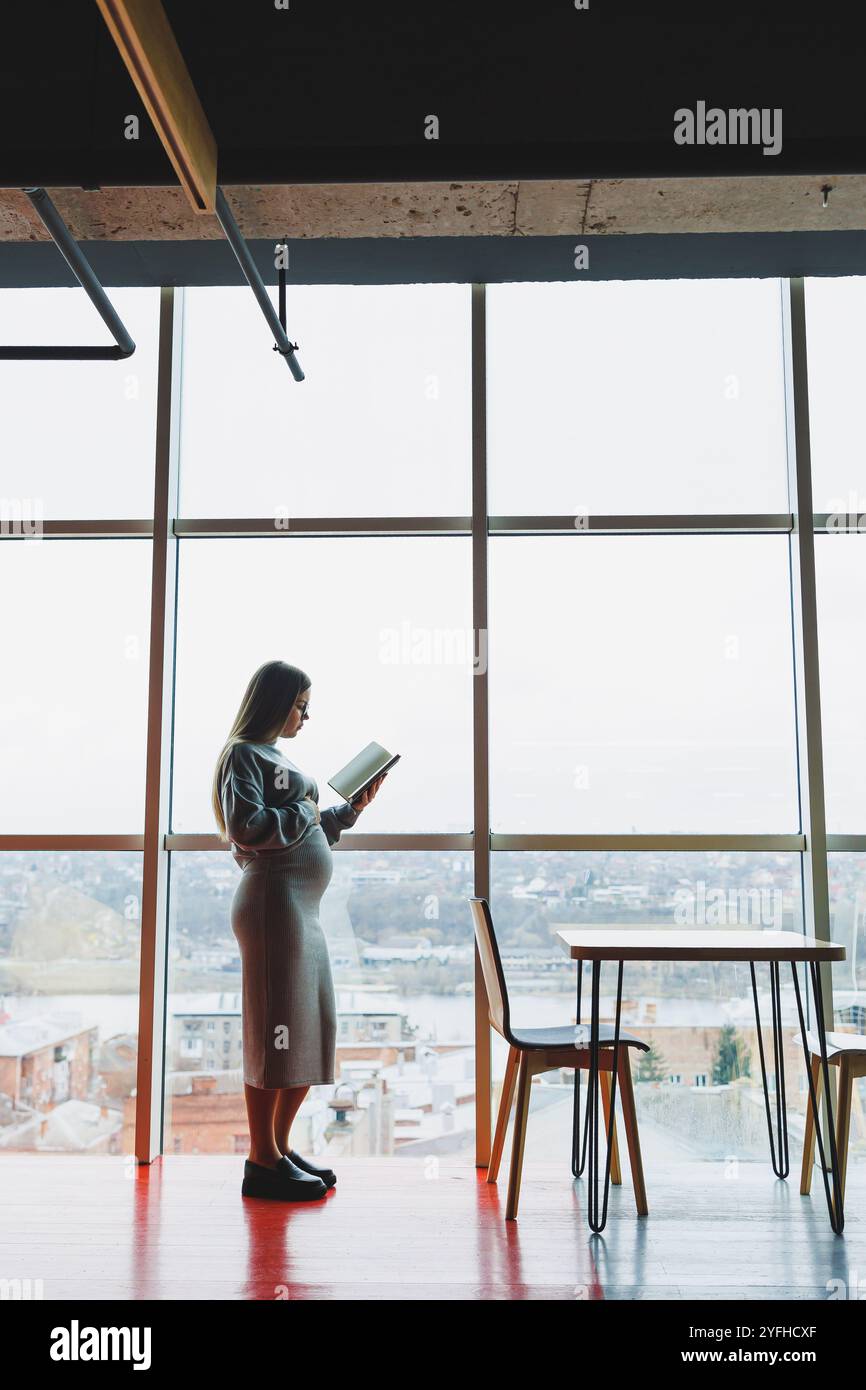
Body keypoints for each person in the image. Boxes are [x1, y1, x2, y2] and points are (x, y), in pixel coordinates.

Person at [212, 659, 387, 1201]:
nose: (306, 717)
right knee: (274, 1032)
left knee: (310, 1029)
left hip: (299, 910)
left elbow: (301, 826)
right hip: (272, 905)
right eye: (301, 706)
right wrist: (311, 816)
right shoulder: (243, 755)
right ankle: (261, 1161)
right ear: (274, 701)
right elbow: (249, 826)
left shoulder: (276, 758)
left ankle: (279, 1151)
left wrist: (342, 813)